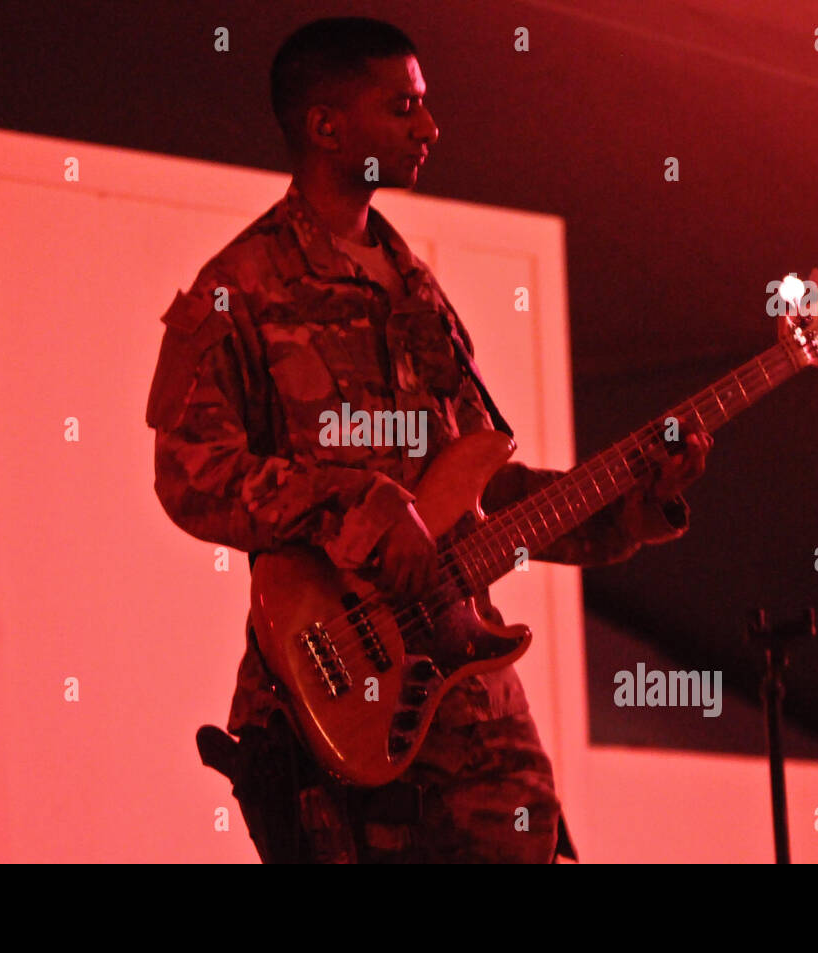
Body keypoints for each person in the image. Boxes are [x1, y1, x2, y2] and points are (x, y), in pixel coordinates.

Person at [146, 16, 712, 863]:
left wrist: (630, 499)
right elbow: (191, 471)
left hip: (474, 712)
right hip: (339, 708)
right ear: (326, 125)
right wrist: (359, 507)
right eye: (403, 108)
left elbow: (487, 498)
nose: (430, 128)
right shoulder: (239, 288)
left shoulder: (418, 292)